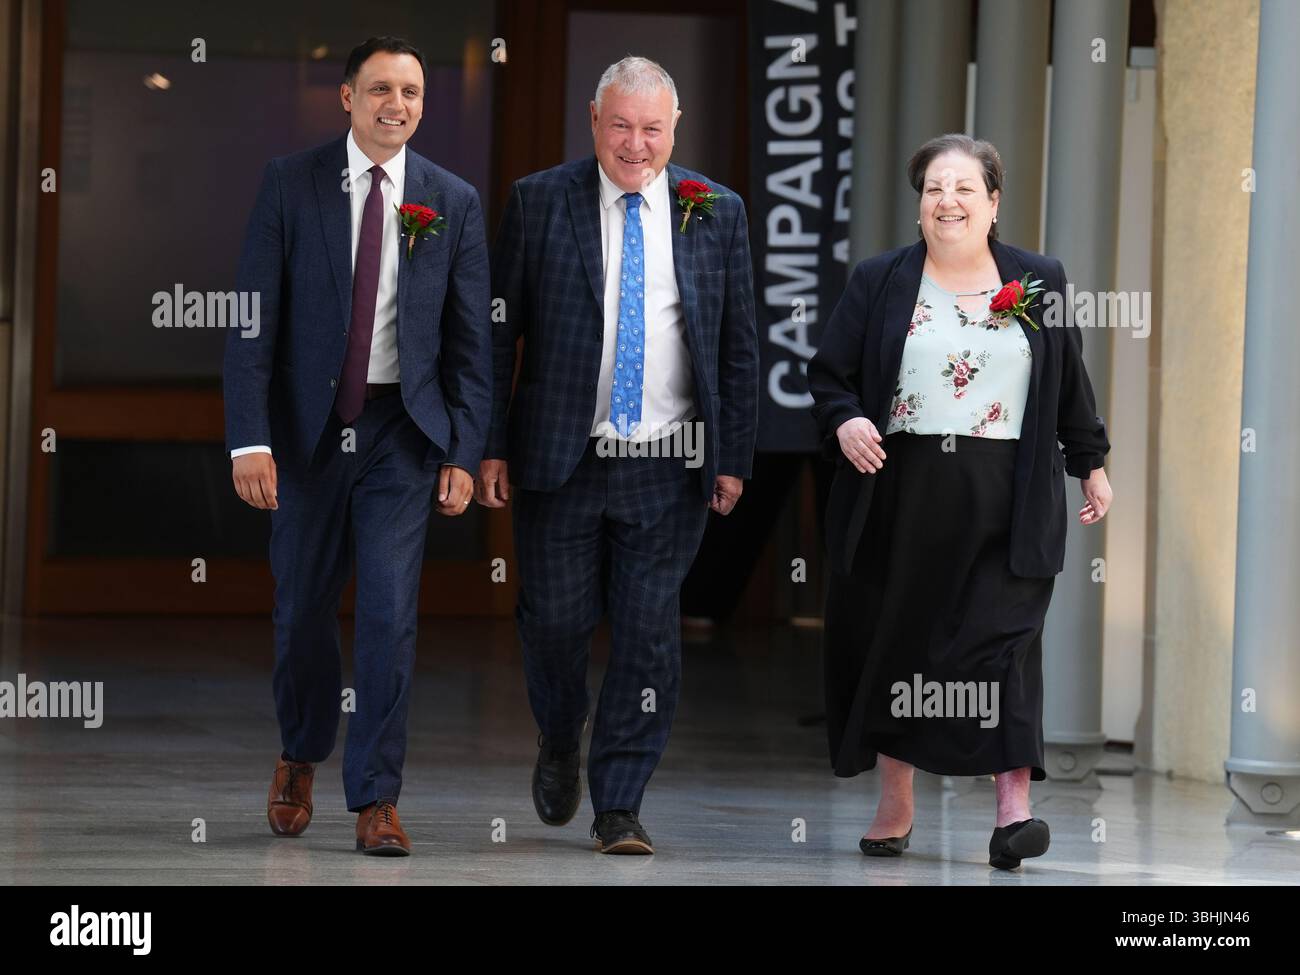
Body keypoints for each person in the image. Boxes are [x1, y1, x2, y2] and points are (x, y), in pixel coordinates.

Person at [477, 56, 758, 854]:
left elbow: (737, 343)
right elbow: (502, 334)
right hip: (560, 456)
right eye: (621, 126)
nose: (636, 144)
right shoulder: (540, 201)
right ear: (595, 122)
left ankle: (620, 804)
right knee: (556, 622)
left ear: (676, 130)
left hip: (669, 462)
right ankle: (561, 734)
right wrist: (491, 444)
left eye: (653, 129)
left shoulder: (717, 211)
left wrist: (730, 454)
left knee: (647, 634)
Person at [808, 133, 1112, 869]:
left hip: (1009, 493)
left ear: (993, 202)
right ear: (919, 205)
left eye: (964, 189)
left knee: (1004, 645)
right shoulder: (880, 280)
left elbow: (1067, 380)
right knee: (904, 641)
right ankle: (896, 801)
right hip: (904, 488)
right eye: (934, 189)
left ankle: (1013, 815)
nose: (947, 201)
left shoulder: (1038, 278)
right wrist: (848, 419)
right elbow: (830, 375)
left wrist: (1091, 462)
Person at [223, 36, 491, 856]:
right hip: (304, 435)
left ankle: (377, 795)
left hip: (400, 434)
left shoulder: (451, 199)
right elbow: (250, 323)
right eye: (379, 88)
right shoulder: (289, 183)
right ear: (347, 98)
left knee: (388, 613)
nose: (396, 105)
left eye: (411, 91)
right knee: (302, 608)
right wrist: (250, 441)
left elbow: (471, 343)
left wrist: (463, 450)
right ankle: (301, 751)